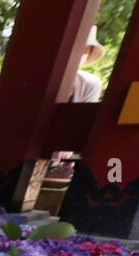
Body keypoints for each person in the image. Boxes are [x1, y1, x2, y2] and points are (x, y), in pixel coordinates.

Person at [51, 27, 105, 178]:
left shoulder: (91, 83)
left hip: (62, 159)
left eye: (85, 51)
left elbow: (81, 124)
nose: (79, 55)